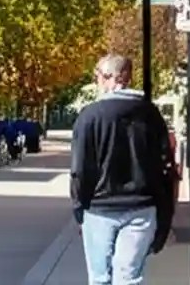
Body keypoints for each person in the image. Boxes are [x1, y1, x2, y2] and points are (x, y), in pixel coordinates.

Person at [70, 55, 175, 285]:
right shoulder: (151, 114)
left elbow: (80, 169)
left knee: (100, 278)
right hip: (142, 206)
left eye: (97, 75)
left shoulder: (89, 117)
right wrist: (165, 213)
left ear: (108, 77)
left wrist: (79, 208)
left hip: (99, 209)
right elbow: (165, 165)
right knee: (129, 277)